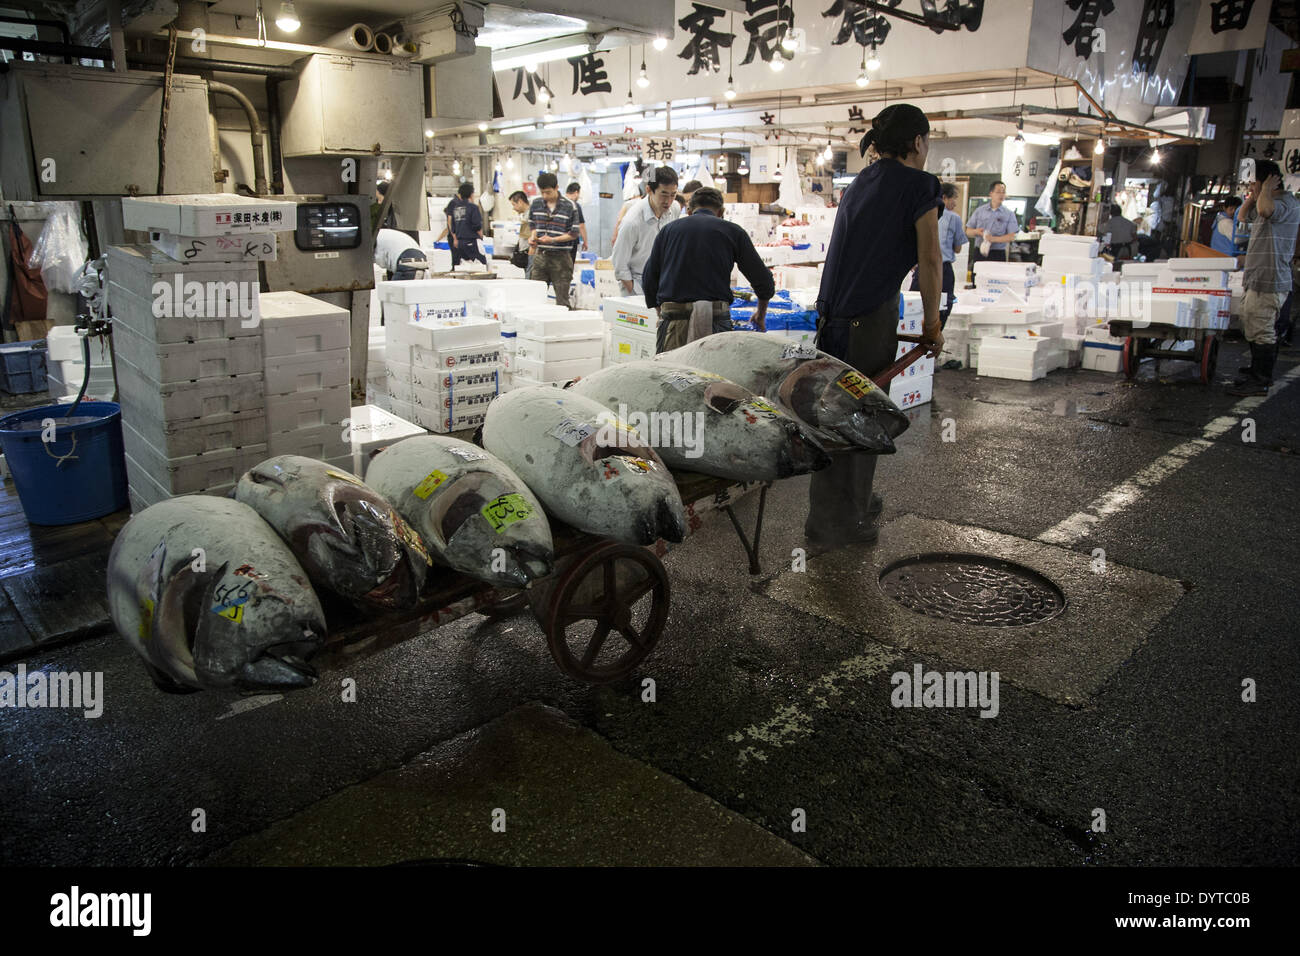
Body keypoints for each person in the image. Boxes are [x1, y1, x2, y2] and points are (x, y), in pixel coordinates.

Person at [807, 103, 944, 548]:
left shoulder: (860, 182)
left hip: (833, 321)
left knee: (836, 417)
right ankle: (842, 523)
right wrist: (932, 323)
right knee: (862, 419)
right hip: (868, 321)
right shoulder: (919, 184)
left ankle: (844, 507)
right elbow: (930, 257)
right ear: (918, 142)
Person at [641, 187, 774, 353]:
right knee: (715, 377)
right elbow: (764, 280)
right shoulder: (733, 231)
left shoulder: (668, 231)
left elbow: (648, 279)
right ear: (721, 212)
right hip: (715, 321)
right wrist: (760, 315)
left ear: (689, 211)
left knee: (671, 375)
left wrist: (662, 313)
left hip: (674, 320)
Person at [1231, 160, 1299, 395]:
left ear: (1267, 180)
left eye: (1253, 182)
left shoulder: (1284, 204)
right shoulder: (1264, 200)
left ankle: (1261, 380)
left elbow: (1264, 211)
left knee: (1262, 328)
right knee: (1251, 322)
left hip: (1269, 279)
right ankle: (1254, 371)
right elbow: (1242, 216)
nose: (1250, 187)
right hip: (1256, 277)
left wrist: (1266, 189)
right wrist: (1256, 192)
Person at [612, 165, 680, 295]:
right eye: (664, 194)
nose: (669, 201)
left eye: (673, 195)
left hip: (664, 281)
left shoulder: (674, 209)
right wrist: (634, 290)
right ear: (649, 190)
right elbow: (619, 265)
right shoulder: (632, 222)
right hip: (638, 283)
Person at [910, 181, 964, 329]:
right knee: (941, 310)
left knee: (914, 308)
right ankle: (933, 343)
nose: (955, 202)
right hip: (943, 271)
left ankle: (913, 346)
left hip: (920, 269)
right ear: (945, 198)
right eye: (954, 198)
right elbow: (958, 248)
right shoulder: (954, 218)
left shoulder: (919, 213)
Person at [527, 172, 581, 309]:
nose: (545, 196)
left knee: (562, 301)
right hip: (541, 256)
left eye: (548, 192)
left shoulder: (570, 206)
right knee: (534, 298)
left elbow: (574, 233)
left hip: (561, 259)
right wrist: (533, 238)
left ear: (557, 187)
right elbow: (533, 226)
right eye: (543, 192)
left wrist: (552, 240)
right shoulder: (536, 204)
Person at [965, 181, 1019, 265]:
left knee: (996, 278)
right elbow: (968, 231)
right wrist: (977, 232)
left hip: (998, 254)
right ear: (991, 193)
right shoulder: (980, 211)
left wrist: (993, 239)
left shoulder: (1009, 214)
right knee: (977, 276)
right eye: (998, 192)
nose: (1001, 195)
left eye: (1003, 192)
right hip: (980, 252)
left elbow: (1012, 236)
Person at [444, 183, 486, 268]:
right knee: (481, 264)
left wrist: (455, 239)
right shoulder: (473, 208)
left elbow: (452, 226)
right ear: (471, 194)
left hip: (459, 243)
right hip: (471, 241)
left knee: (462, 266)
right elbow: (477, 225)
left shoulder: (456, 208)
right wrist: (481, 237)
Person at [611, 180, 648, 248]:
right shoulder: (645, 203)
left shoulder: (628, 203)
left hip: (626, 235)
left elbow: (620, 220)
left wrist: (614, 236)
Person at [508, 190, 532, 273]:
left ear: (520, 202)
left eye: (514, 205)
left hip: (530, 254)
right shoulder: (525, 216)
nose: (513, 208)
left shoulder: (530, 216)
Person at [565, 182, 589, 255]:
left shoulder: (559, 203)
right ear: (576, 192)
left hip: (558, 241)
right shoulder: (575, 205)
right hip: (571, 240)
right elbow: (581, 225)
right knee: (569, 265)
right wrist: (585, 241)